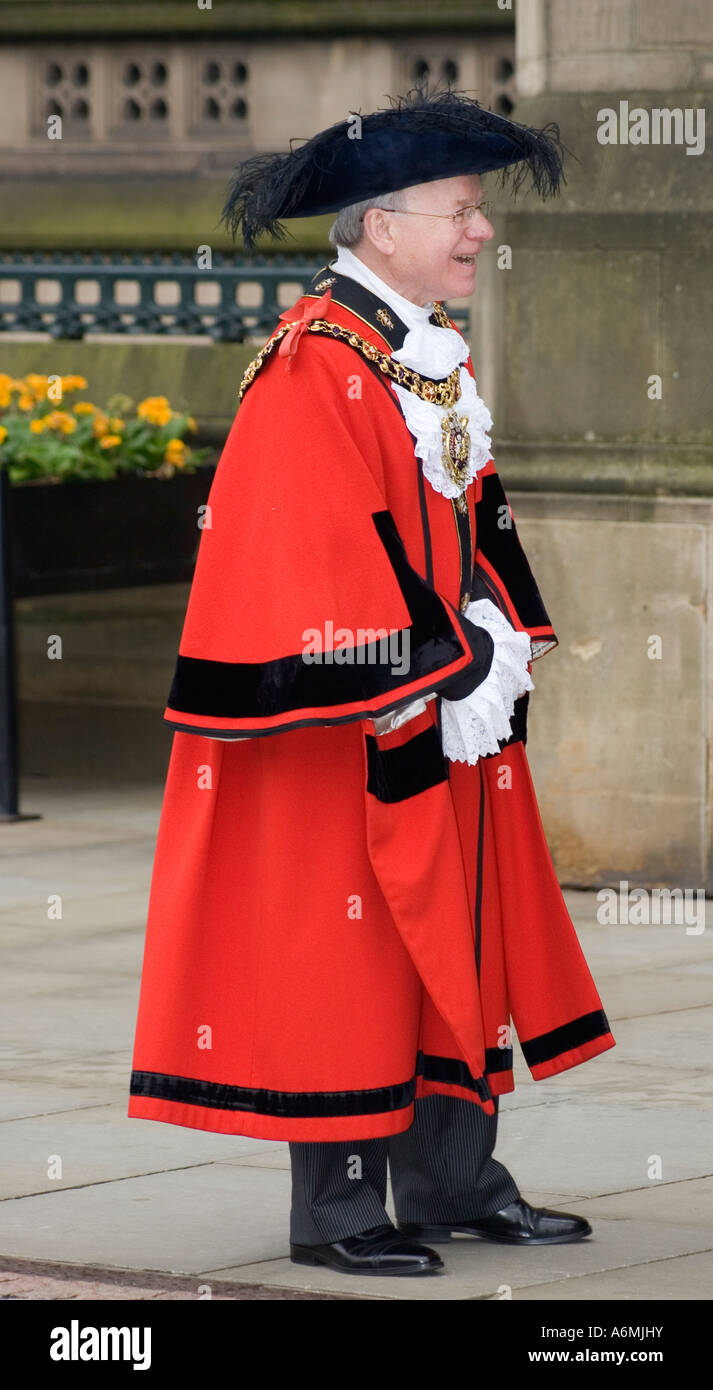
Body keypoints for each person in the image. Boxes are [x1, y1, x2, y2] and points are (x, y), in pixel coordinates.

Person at [128, 88, 615, 1278]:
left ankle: (454, 1178)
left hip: (442, 703)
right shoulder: (316, 366)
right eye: (460, 209)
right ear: (378, 225)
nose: (479, 231)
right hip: (344, 723)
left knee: (457, 935)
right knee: (342, 953)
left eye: (477, 208)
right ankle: (339, 1210)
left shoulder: (417, 357)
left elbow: (462, 516)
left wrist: (496, 633)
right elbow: (308, 552)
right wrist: (437, 665)